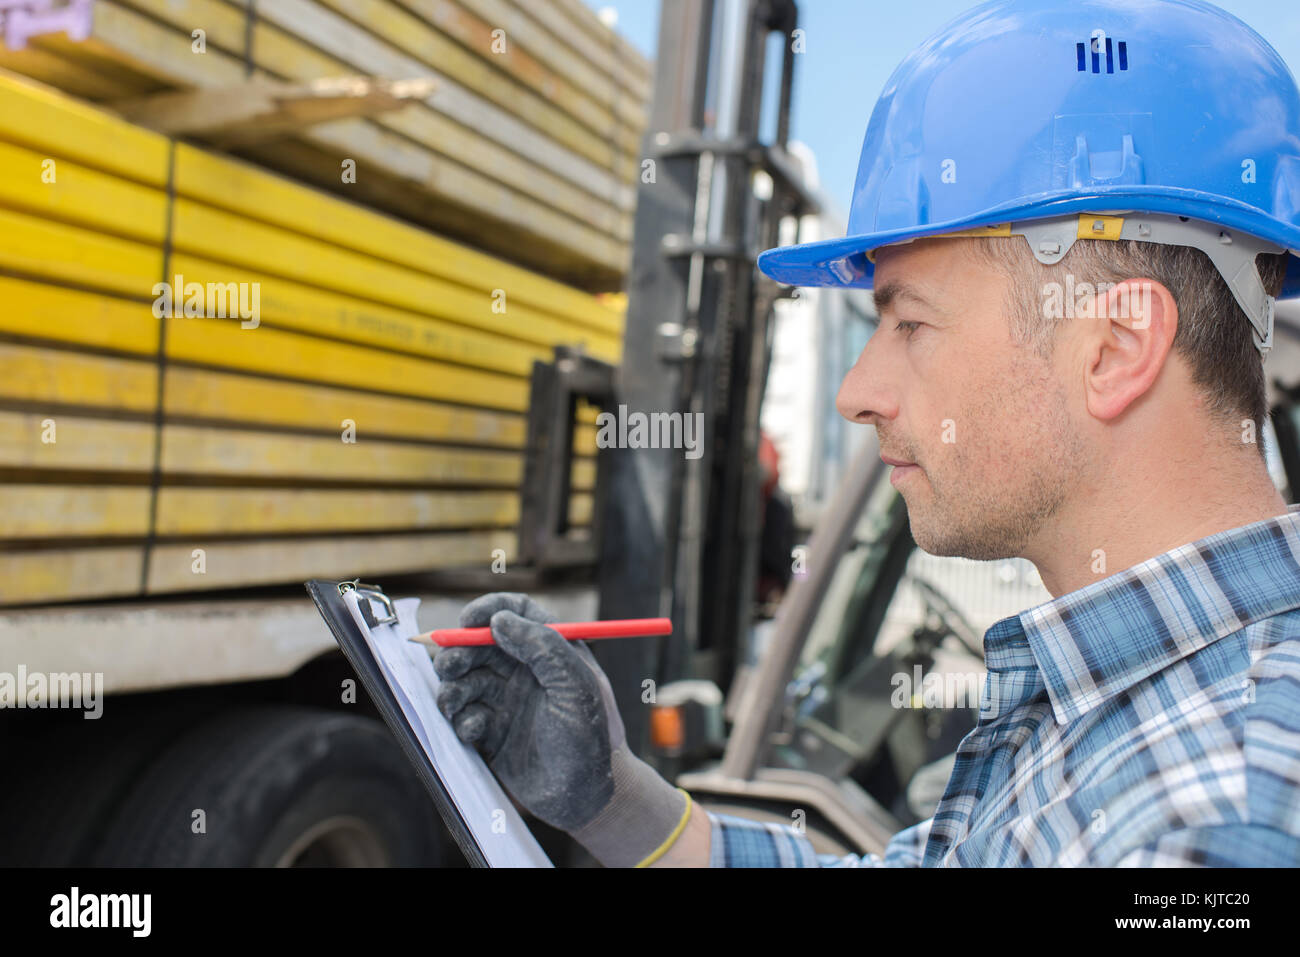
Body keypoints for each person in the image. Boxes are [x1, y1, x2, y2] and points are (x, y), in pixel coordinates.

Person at [433, 0, 1300, 866]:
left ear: (1113, 348)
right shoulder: (1112, 703)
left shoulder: (1213, 830)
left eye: (910, 324)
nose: (856, 391)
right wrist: (616, 801)